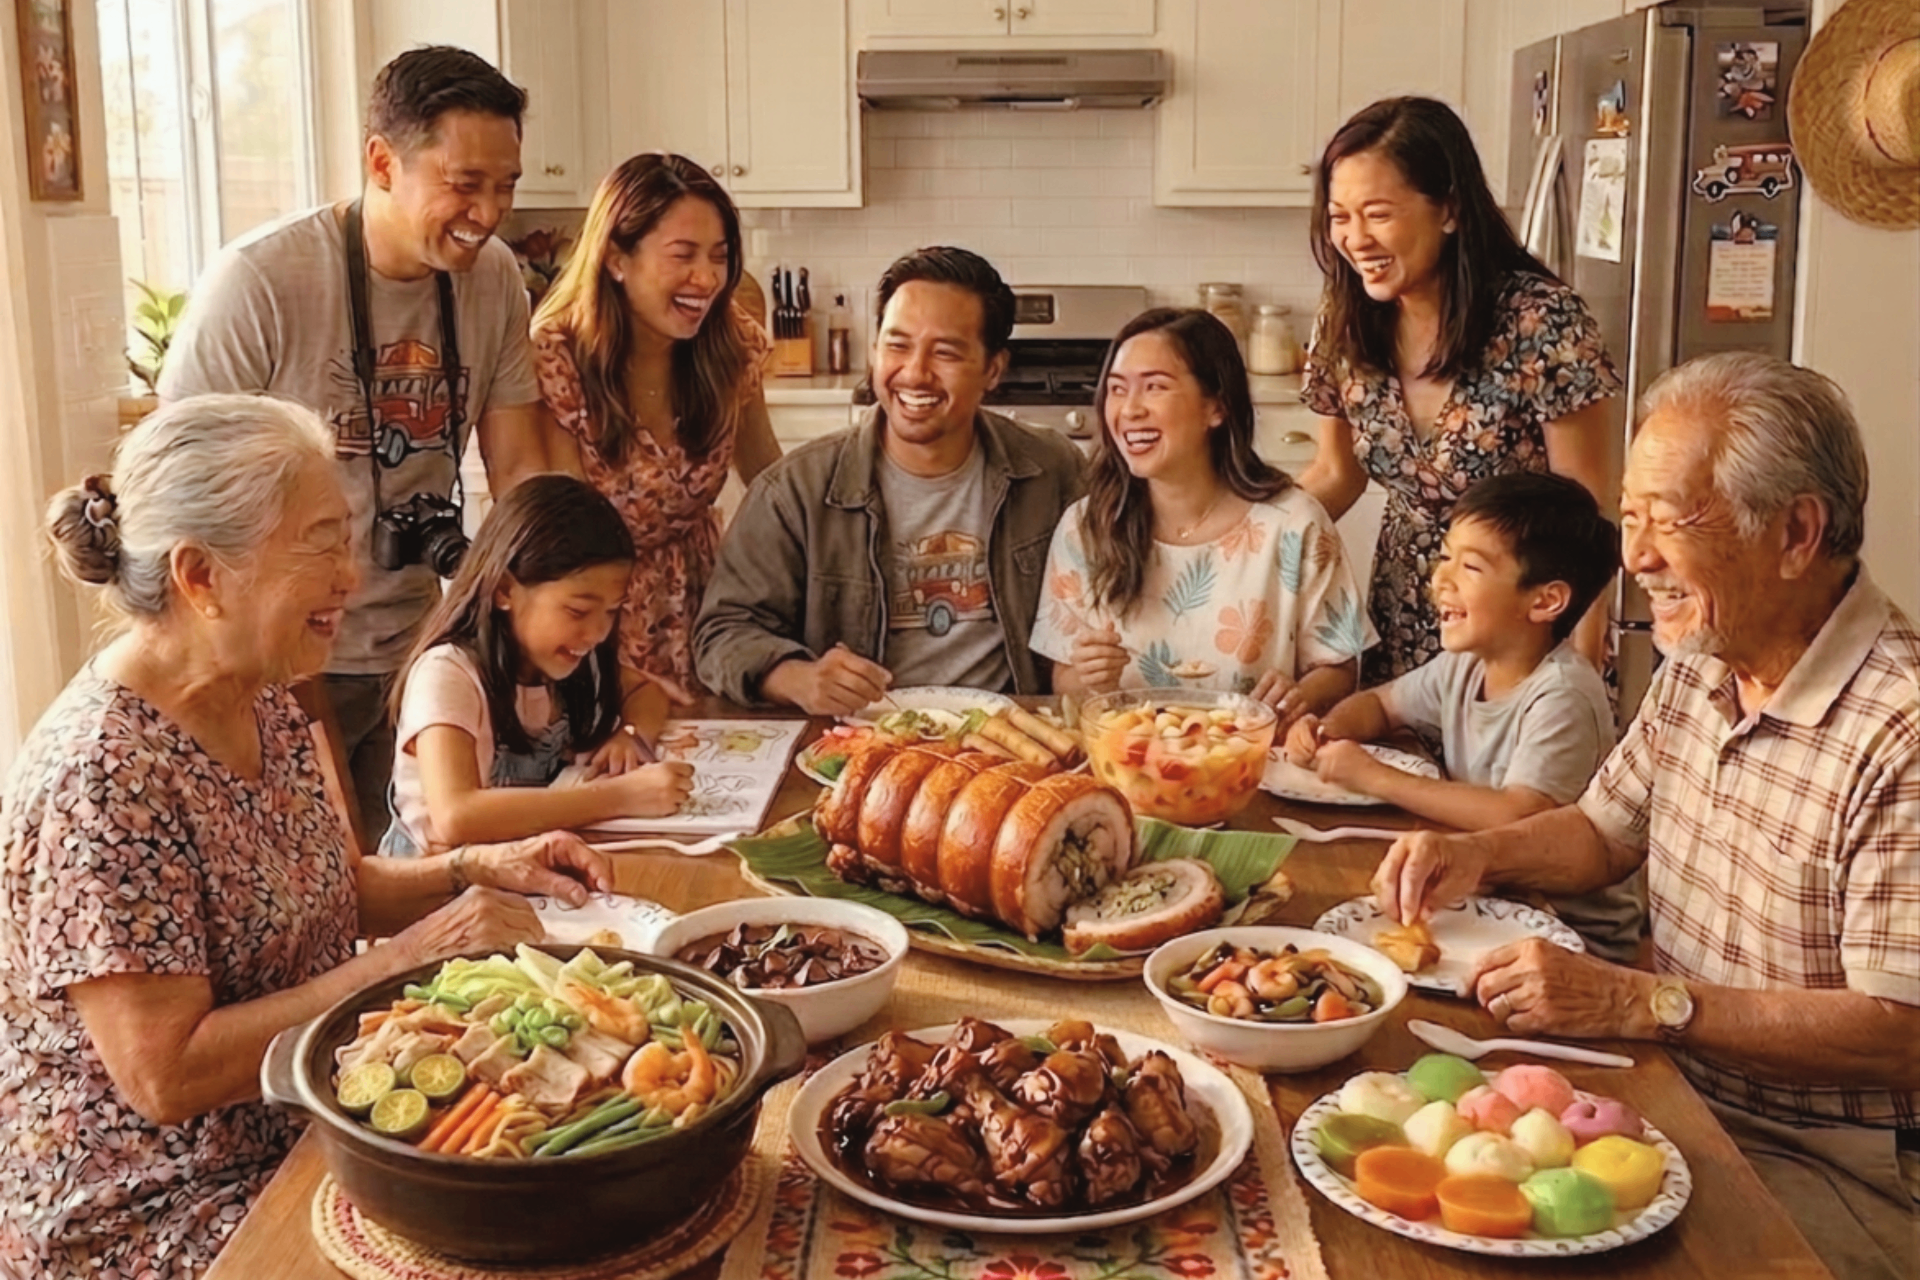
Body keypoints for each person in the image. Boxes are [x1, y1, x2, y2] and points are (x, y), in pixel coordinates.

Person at [1, 395, 611, 1280]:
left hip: (308, 1112)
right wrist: (409, 957)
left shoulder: (264, 695)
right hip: (158, 1203)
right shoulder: (103, 776)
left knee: (562, 1180)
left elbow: (327, 885)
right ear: (201, 576)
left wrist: (477, 866)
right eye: (320, 543)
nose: (351, 577)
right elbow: (166, 1076)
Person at [1375, 354, 1920, 1280]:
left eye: (1670, 519)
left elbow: (1901, 1028)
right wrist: (1476, 856)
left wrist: (1640, 1003)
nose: (1635, 559)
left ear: (1796, 532)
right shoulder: (1707, 663)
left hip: (1834, 1163)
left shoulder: (1902, 727)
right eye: (1632, 518)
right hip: (1673, 1093)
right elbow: (1599, 833)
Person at [159, 47, 559, 849]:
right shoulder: (259, 281)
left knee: (409, 870)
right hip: (273, 663)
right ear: (382, 161)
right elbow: (175, 498)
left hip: (417, 643)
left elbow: (521, 470)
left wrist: (549, 602)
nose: (489, 212)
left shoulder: (493, 280)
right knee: (308, 878)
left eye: (506, 185)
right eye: (464, 183)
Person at [1297, 96, 1619, 686]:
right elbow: (1335, 473)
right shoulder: (1343, 320)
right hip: (1402, 621)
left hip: (1522, 630)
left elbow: (1590, 507)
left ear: (1448, 208)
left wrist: (1581, 656)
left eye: (1377, 213)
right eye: (1340, 217)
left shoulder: (1542, 321)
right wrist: (1239, 538)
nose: (1355, 238)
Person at [693, 246, 1085, 714]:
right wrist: (797, 677)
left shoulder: (1053, 469)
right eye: (897, 345)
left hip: (1010, 737)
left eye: (945, 353)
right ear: (875, 350)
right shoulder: (796, 489)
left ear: (993, 369)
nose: (915, 373)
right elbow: (723, 632)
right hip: (865, 739)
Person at [1284, 471, 1641, 959]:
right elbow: (1379, 704)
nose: (1441, 578)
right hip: (1487, 894)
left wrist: (1376, 777)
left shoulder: (1563, 695)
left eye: (1470, 567)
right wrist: (1327, 730)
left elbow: (1520, 812)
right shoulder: (1464, 666)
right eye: (1446, 556)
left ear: (1544, 601)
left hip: (1569, 933)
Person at [1031, 307, 1369, 729]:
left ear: (1217, 407)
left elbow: (1340, 668)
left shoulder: (1294, 523)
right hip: (1127, 761)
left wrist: (1298, 695)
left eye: (1154, 386)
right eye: (1117, 390)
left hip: (1248, 762)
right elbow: (1064, 679)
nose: (1129, 410)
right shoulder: (1084, 529)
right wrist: (1086, 675)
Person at [531, 153, 780, 715]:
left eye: (719, 257)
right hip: (594, 622)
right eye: (683, 255)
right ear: (617, 258)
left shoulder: (730, 346)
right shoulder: (557, 356)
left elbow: (769, 478)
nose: (708, 279)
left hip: (703, 605)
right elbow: (560, 544)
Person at [384, 474, 696, 855]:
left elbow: (645, 690)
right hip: (436, 889)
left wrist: (630, 735)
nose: (598, 632)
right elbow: (456, 816)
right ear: (504, 590)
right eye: (577, 610)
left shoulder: (570, 658)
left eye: (612, 611)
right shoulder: (448, 674)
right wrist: (620, 796)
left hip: (522, 868)